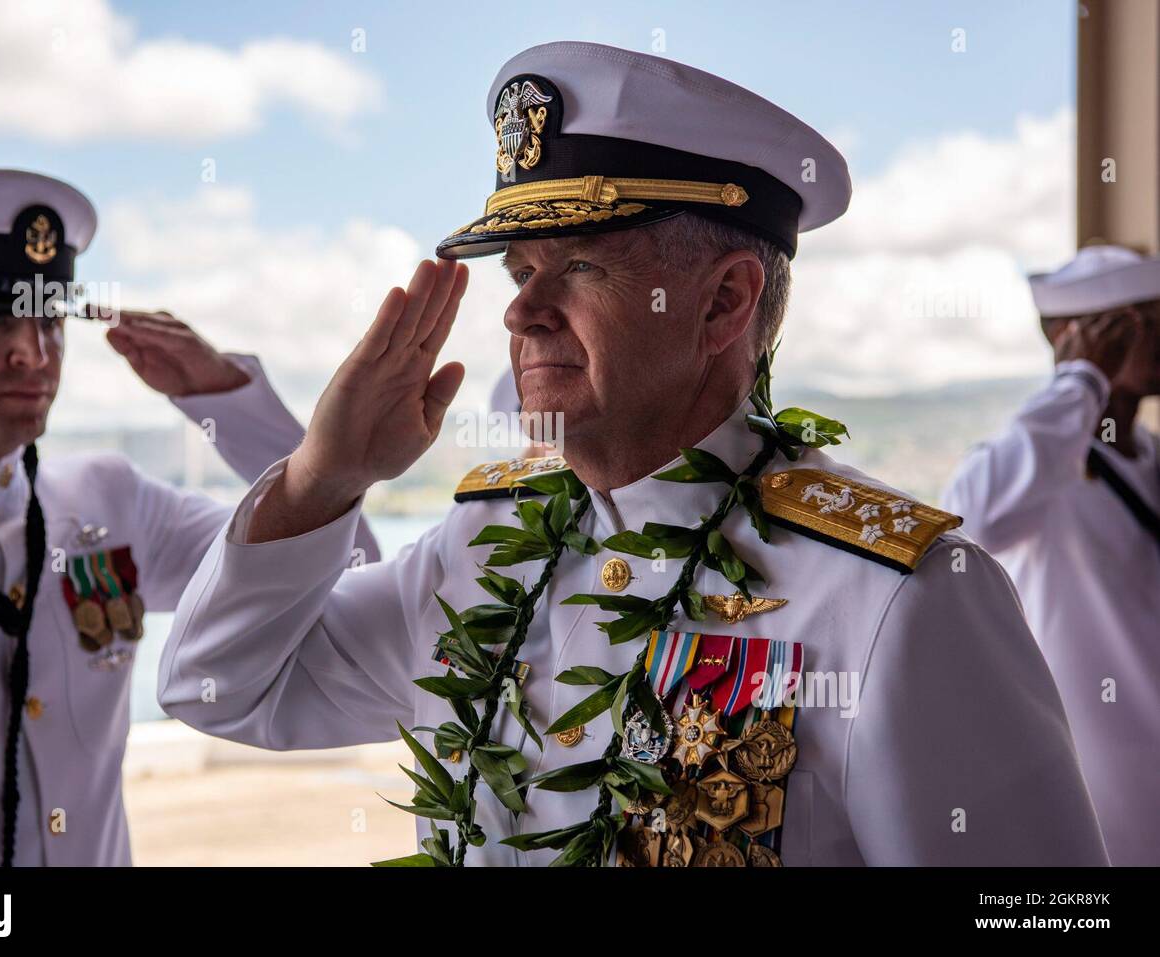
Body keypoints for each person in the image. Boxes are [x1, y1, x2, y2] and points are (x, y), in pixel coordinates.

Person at [160, 42, 1106, 866]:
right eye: (522, 271)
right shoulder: (480, 551)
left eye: (578, 265)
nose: (522, 311)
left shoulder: (897, 594)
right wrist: (327, 477)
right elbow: (221, 686)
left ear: (725, 303)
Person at [0, 169, 377, 866]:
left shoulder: (110, 500)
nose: (35, 352)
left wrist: (223, 399)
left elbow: (351, 577)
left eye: (49, 318)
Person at [943, 244, 1160, 866]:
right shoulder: (1037, 471)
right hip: (1100, 792)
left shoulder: (1147, 458)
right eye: (1133, 322)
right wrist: (1081, 380)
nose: (1154, 334)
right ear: (1075, 339)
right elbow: (974, 516)